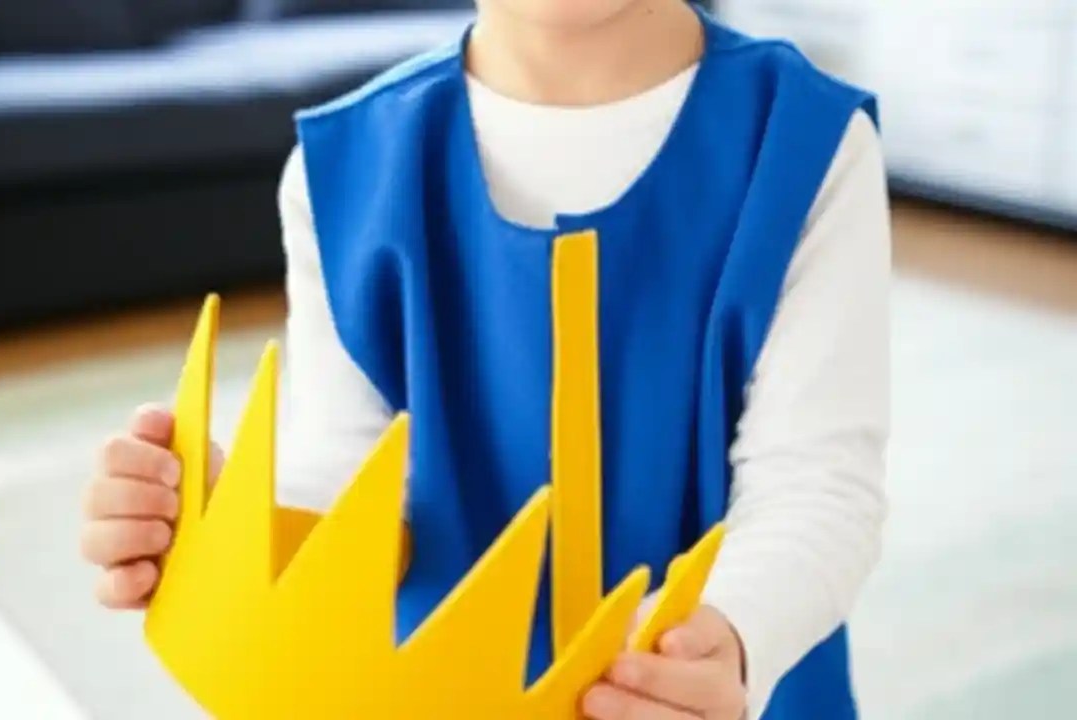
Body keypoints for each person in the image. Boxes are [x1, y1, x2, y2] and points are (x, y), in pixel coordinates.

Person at [80, 1, 891, 717]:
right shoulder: (345, 173)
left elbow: (815, 487)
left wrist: (733, 632)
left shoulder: (808, 145)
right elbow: (350, 481)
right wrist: (236, 534)